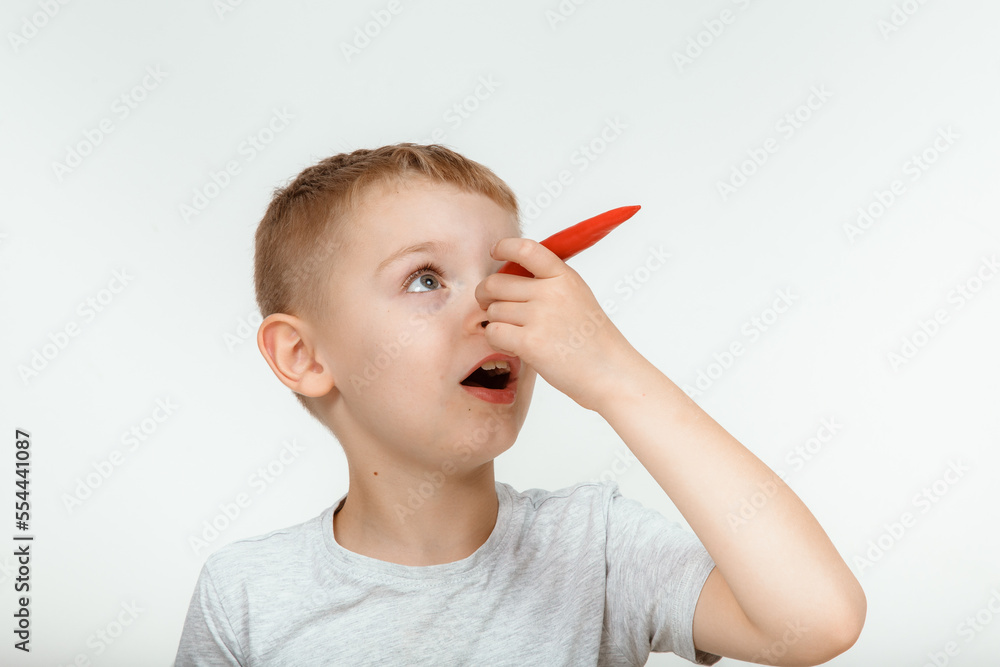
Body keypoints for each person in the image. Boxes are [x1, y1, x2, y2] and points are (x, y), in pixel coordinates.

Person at [174, 143, 866, 666]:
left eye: (508, 277)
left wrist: (613, 372)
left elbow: (818, 618)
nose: (492, 309)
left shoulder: (594, 547)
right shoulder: (245, 593)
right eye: (424, 277)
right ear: (305, 356)